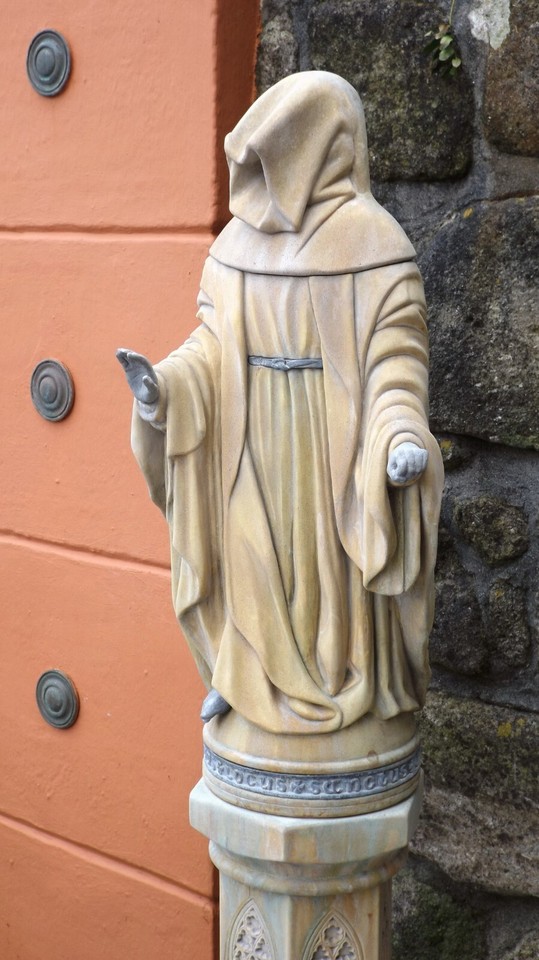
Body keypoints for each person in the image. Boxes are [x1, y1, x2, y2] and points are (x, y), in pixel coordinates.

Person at [117, 71, 444, 735]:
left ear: (329, 147)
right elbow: (209, 347)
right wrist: (168, 387)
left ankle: (341, 689)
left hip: (335, 444)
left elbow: (395, 361)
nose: (265, 172)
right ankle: (242, 679)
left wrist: (398, 434)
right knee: (247, 566)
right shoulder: (236, 247)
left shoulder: (374, 246)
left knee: (329, 588)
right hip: (247, 440)